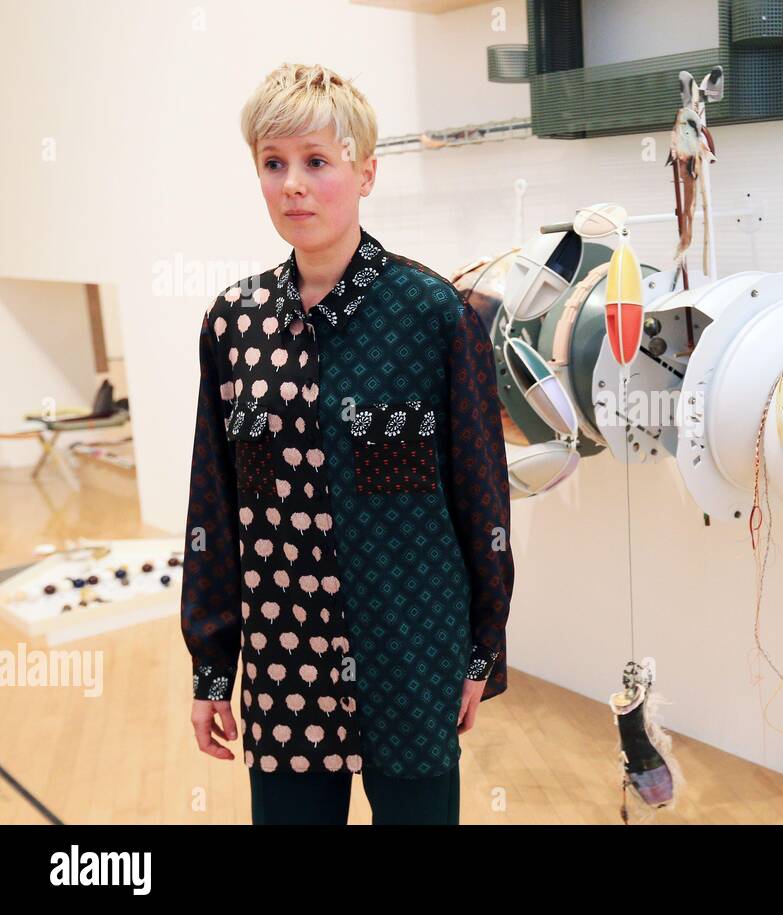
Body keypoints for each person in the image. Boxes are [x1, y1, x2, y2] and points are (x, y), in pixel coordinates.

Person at [179, 62, 514, 825]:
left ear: (366, 172)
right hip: (283, 660)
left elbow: (481, 496)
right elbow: (214, 505)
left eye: (316, 162)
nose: (293, 184)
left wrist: (480, 649)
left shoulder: (438, 316)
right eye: (273, 164)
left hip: (410, 651)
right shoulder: (232, 325)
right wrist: (210, 667)